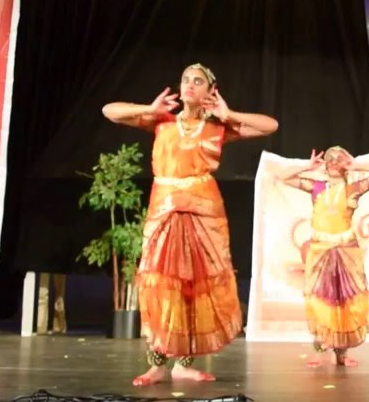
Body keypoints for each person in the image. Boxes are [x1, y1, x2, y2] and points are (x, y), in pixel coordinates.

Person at [103, 63, 279, 385]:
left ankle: (184, 364)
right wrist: (148, 108)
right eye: (185, 80)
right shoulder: (162, 121)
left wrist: (229, 114)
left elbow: (270, 126)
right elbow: (109, 111)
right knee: (161, 284)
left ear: (211, 91)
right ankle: (156, 364)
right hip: (165, 209)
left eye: (198, 81)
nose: (189, 85)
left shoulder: (218, 127)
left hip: (203, 213)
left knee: (195, 285)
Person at [276, 146, 369, 367]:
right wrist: (306, 166)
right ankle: (320, 350)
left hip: (346, 251)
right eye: (330, 158)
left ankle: (342, 354)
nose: (334, 161)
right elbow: (282, 177)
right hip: (320, 251)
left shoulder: (353, 189)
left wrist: (357, 164)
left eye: (339, 158)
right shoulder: (316, 187)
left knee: (345, 300)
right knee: (321, 300)